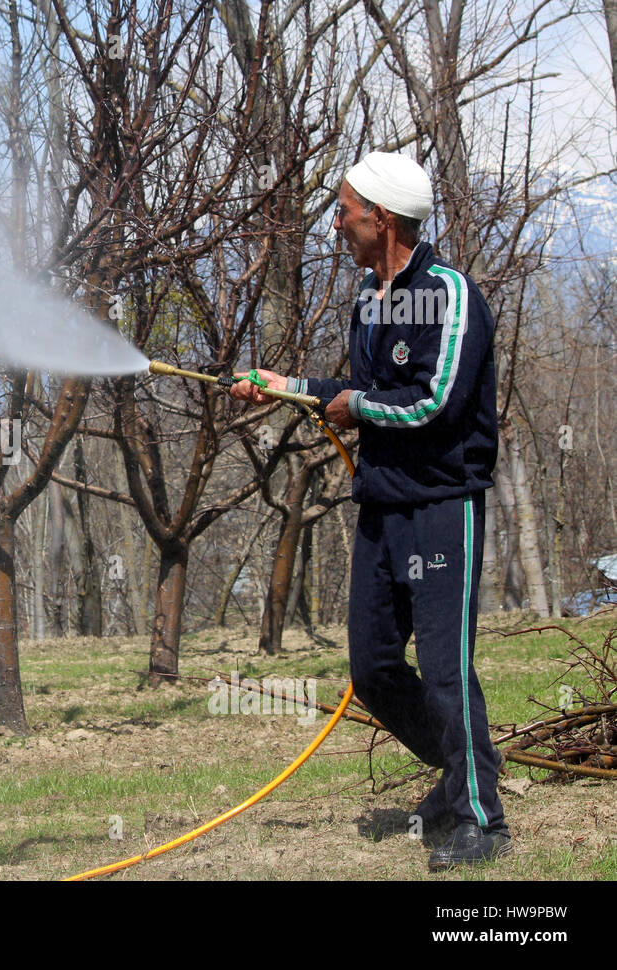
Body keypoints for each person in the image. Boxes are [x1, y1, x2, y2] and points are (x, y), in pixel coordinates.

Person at [229, 151, 509, 870]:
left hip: (443, 507)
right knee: (376, 667)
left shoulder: (448, 294)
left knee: (445, 669)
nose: (336, 224)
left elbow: (436, 398)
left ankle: (481, 815)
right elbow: (356, 388)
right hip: (383, 506)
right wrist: (285, 384)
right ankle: (463, 771)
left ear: (381, 219)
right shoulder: (368, 295)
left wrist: (360, 406)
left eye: (345, 211)